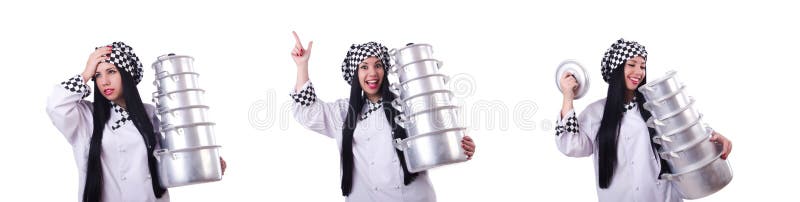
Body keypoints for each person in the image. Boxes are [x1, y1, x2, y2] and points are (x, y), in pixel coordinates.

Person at [288, 31, 475, 202]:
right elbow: (308, 112)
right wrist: (302, 65)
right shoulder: (343, 112)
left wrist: (462, 145)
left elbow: (437, 141)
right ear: (355, 75)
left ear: (385, 70)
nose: (372, 73)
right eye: (364, 67)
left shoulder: (406, 103)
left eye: (378, 65)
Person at [554, 38, 732, 202]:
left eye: (642, 66)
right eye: (631, 64)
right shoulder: (596, 112)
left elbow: (684, 129)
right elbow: (571, 146)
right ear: (617, 69)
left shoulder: (655, 104)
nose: (638, 72)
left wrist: (713, 136)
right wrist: (567, 96)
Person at [46, 42, 226, 202]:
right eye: (98, 75)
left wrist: (206, 163)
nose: (104, 82)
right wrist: (85, 73)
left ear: (127, 75)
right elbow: (55, 105)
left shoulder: (151, 113)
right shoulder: (85, 117)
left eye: (111, 72)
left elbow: (171, 159)